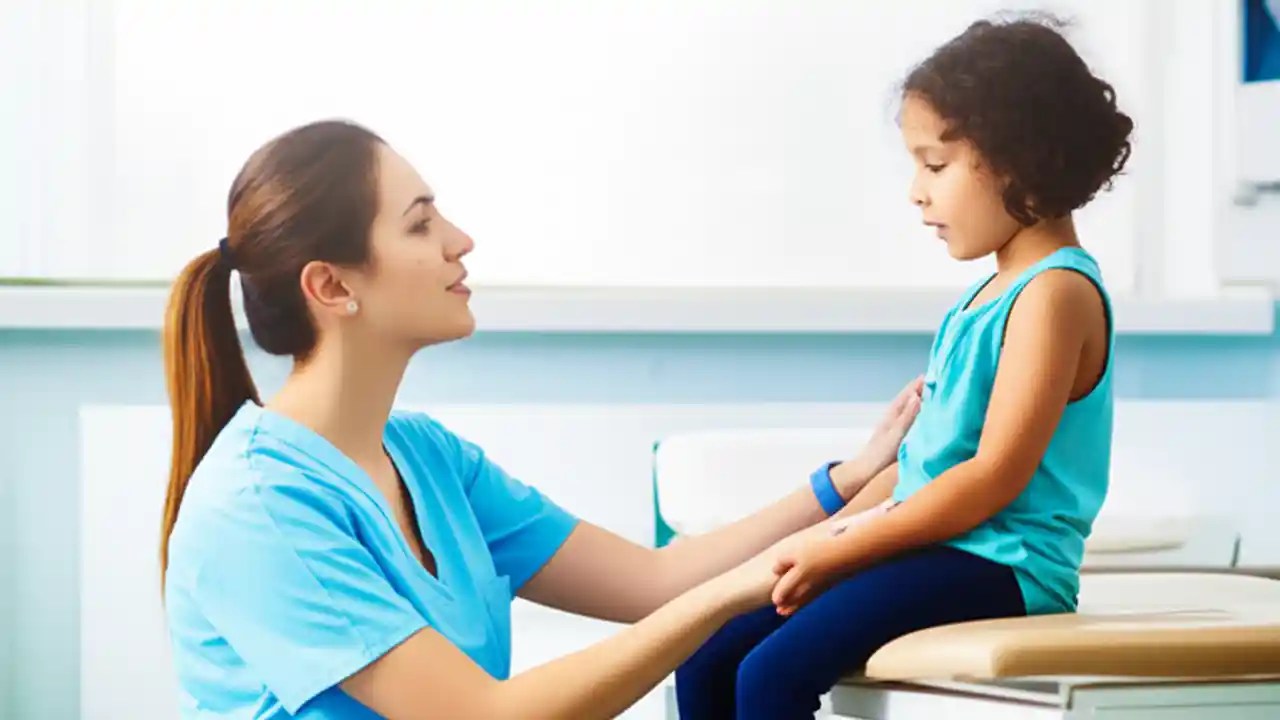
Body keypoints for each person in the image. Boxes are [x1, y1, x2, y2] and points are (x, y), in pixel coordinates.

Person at [158, 119, 923, 719]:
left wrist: (855, 478)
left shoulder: (425, 459)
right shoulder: (259, 506)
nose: (462, 240)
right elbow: (483, 715)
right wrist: (730, 597)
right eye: (421, 224)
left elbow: (652, 580)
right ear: (331, 286)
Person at [675, 15, 1133, 719]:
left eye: (936, 165)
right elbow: (924, 463)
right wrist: (814, 541)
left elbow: (989, 479)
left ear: (1020, 159)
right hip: (946, 546)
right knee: (709, 651)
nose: (916, 192)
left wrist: (844, 548)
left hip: (1002, 563)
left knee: (771, 675)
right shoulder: (990, 295)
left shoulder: (1055, 294)